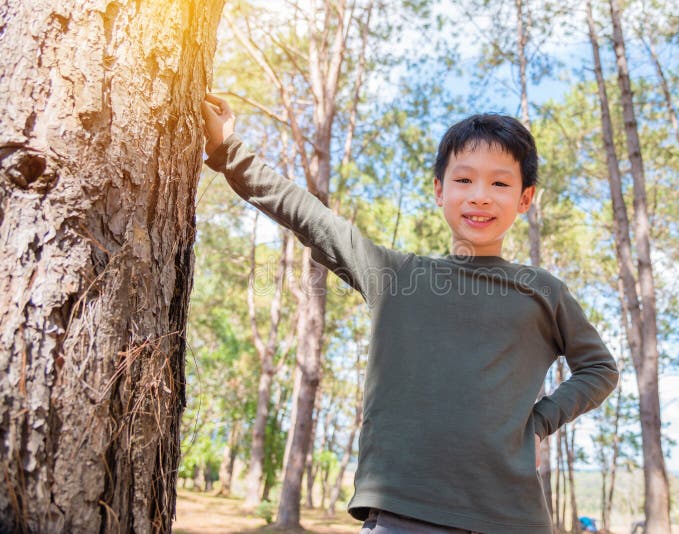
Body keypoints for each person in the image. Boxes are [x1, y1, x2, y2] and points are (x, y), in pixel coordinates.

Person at [201, 94, 619, 534]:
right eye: (464, 180)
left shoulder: (542, 291)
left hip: (511, 519)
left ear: (525, 198)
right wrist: (229, 151)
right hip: (403, 514)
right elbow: (311, 218)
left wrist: (540, 420)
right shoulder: (395, 275)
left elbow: (599, 368)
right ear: (439, 190)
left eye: (500, 184)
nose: (480, 196)